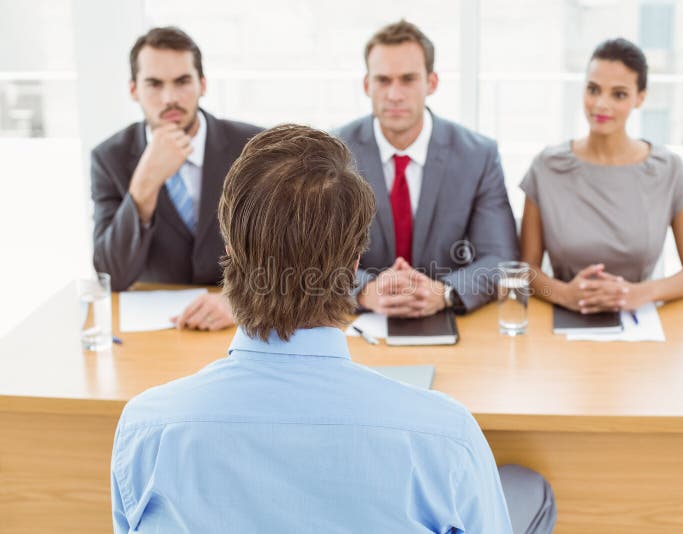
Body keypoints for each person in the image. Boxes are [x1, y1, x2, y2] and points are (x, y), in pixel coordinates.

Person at [110, 124, 555, 533]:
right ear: (355, 261)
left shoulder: (146, 430)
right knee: (526, 488)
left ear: (229, 245)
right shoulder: (445, 436)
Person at [336, 20, 518, 317]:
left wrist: (444, 292)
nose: (395, 94)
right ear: (367, 85)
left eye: (408, 79)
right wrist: (365, 290)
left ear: (431, 83)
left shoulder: (478, 155)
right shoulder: (332, 154)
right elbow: (307, 254)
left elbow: (500, 257)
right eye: (383, 80)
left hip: (447, 318)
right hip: (358, 322)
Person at [519, 38, 683, 314]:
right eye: (593, 89)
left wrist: (639, 293)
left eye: (618, 94)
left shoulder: (668, 169)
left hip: (638, 319)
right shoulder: (547, 167)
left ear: (640, 98)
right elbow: (526, 269)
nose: (601, 104)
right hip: (562, 318)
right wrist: (565, 295)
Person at [91, 26, 261, 330]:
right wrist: (144, 183)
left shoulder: (253, 146)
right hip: (157, 330)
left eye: (182, 82)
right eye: (154, 84)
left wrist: (243, 299)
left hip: (242, 324)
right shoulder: (109, 158)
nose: (169, 98)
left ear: (202, 84)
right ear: (134, 90)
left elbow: (291, 250)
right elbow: (112, 275)